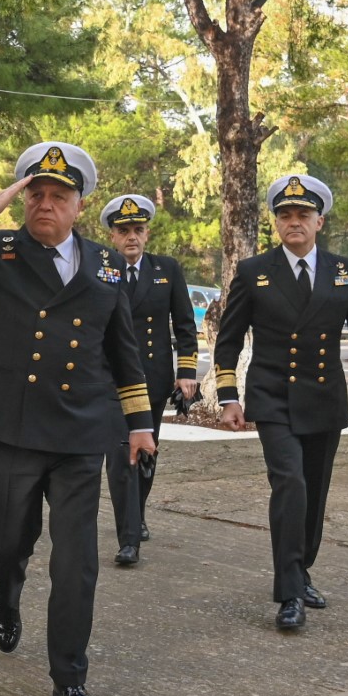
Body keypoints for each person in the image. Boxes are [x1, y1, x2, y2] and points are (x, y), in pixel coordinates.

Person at [0, 141, 156, 696]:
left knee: (77, 561)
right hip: (14, 425)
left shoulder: (106, 263)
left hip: (82, 430)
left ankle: (69, 676)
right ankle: (6, 592)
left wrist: (139, 424)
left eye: (58, 196)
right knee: (8, 542)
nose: (45, 205)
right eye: (35, 195)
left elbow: (121, 350)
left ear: (79, 205)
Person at [213, 174, 348, 631]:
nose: (294, 223)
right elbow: (228, 339)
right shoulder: (254, 272)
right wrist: (229, 397)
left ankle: (302, 569)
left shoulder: (345, 271)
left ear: (319, 222)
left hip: (324, 400)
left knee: (314, 493)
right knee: (289, 485)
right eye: (286, 216)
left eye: (303, 216)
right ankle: (289, 591)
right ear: (276, 223)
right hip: (272, 398)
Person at [99, 194, 199, 566]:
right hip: (110, 380)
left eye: (138, 230)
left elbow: (185, 325)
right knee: (118, 455)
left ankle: (135, 513)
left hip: (153, 379)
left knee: (146, 454)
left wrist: (186, 372)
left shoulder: (167, 269)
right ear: (112, 235)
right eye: (124, 231)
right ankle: (129, 537)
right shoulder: (101, 268)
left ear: (147, 233)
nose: (132, 238)